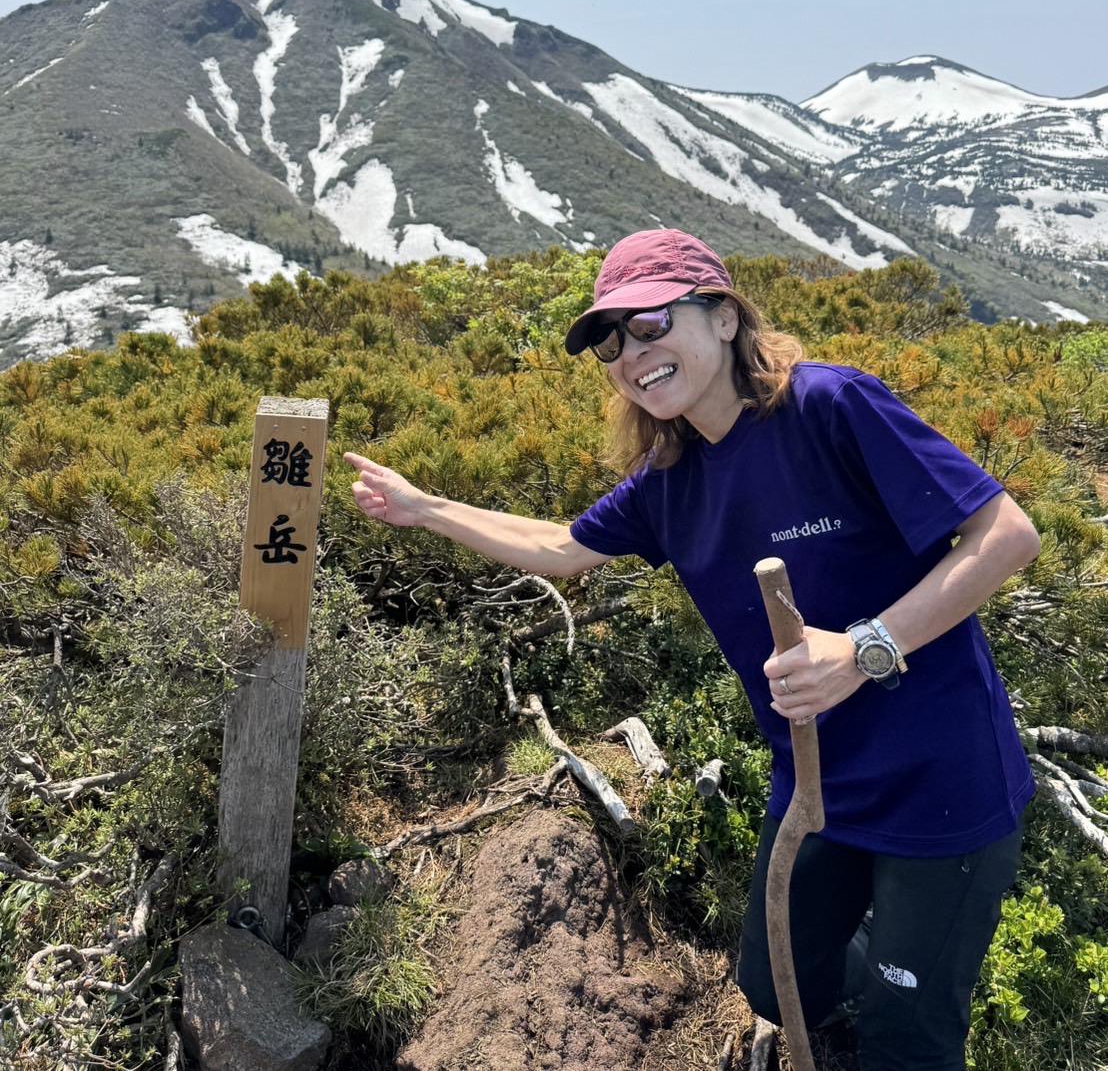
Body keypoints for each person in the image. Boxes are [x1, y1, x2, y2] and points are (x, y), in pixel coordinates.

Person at [345, 227, 1040, 1071]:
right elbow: (561, 546)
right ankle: (880, 997)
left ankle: (904, 1007)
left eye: (651, 322)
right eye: (611, 340)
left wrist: (864, 649)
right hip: (817, 783)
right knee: (774, 981)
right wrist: (424, 508)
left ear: (723, 316)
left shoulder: (829, 407)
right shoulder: (670, 479)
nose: (632, 353)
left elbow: (1006, 534)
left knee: (910, 1044)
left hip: (941, 785)